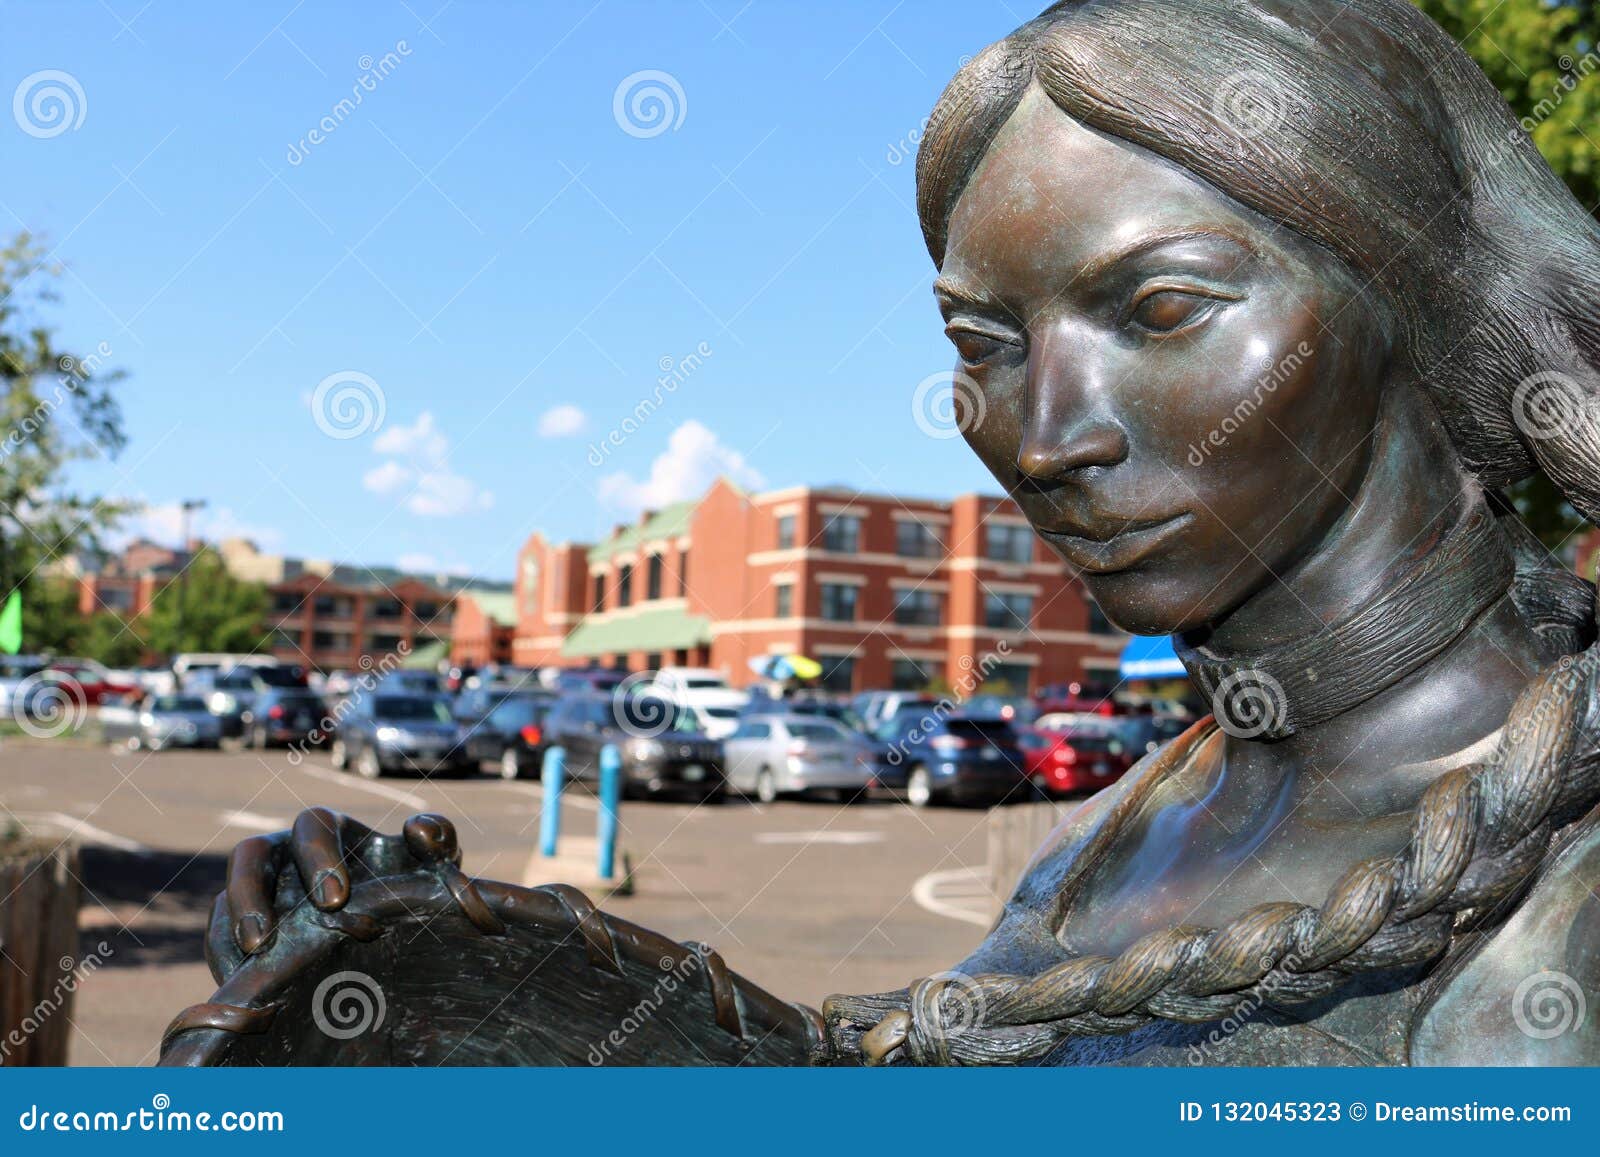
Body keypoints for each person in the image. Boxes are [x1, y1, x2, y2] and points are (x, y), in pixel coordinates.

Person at [201, 0, 1600, 1066]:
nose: (1046, 434)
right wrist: (506, 1009)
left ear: (1400, 291)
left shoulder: (1564, 916)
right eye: (984, 344)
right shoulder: (1124, 829)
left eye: (1162, 309)